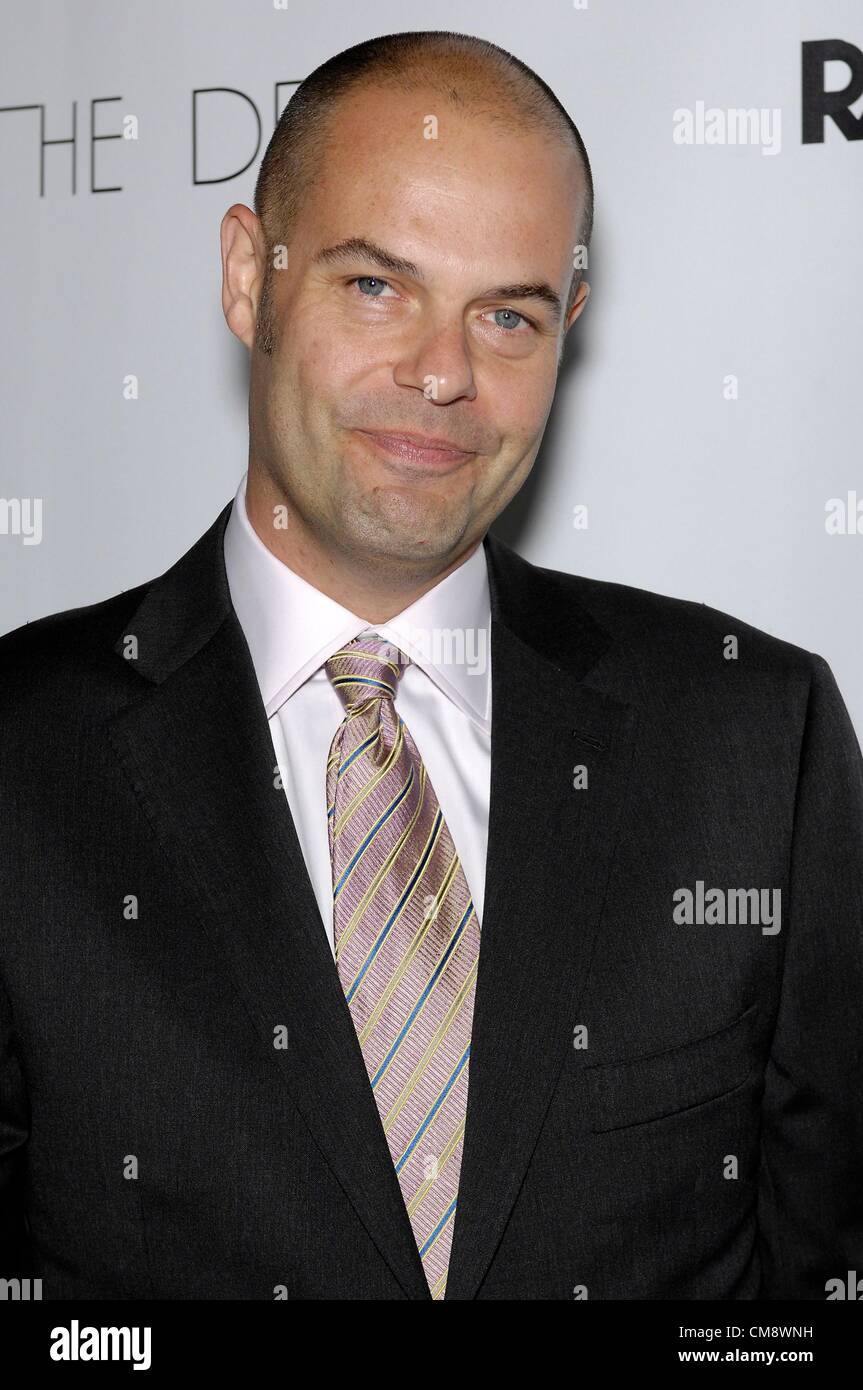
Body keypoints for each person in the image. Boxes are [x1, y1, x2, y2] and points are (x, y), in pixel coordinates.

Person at [1, 29, 861, 1302]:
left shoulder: (753, 736)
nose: (443, 374)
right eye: (373, 287)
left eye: (505, 313)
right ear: (250, 279)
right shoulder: (21, 755)